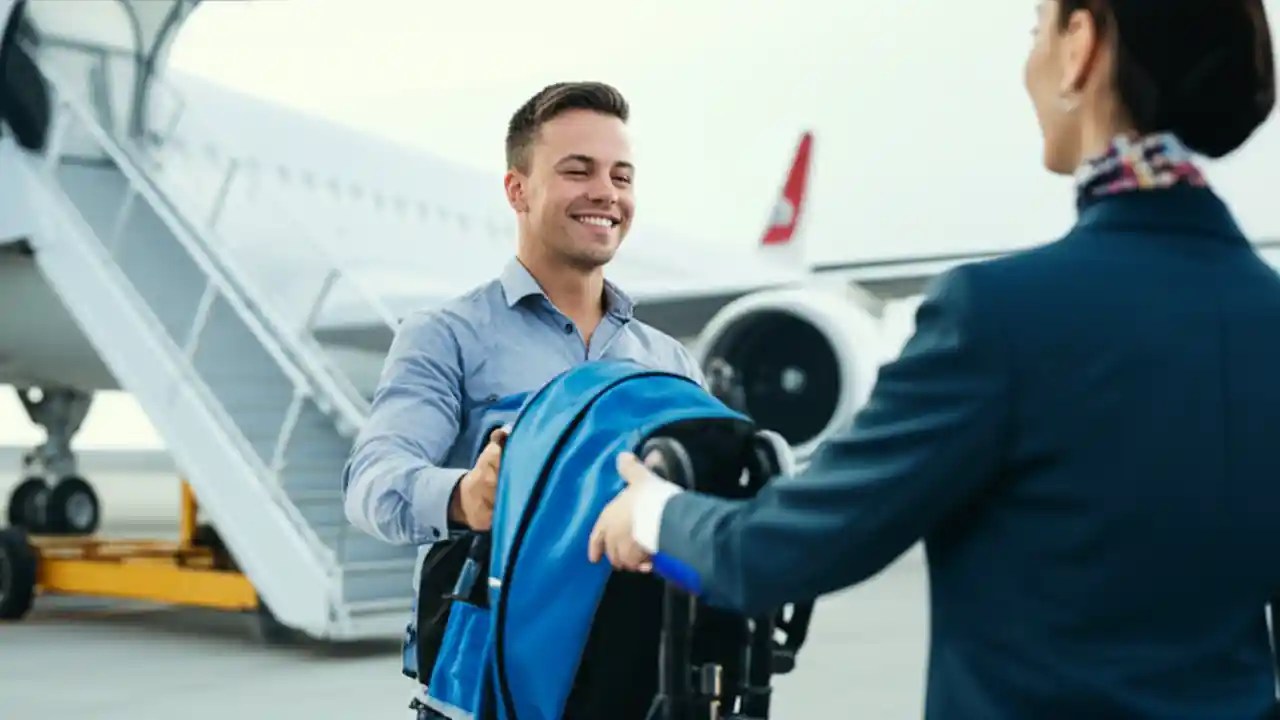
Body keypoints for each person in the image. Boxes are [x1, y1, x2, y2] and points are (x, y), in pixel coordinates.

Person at [589, 1, 1280, 718]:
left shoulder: (1003, 316)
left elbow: (771, 555)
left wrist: (655, 514)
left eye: (1036, 29)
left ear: (1081, 45)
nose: (1028, 64)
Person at [341, 81, 702, 719]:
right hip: (491, 696)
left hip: (645, 693)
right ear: (517, 190)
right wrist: (466, 497)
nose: (606, 193)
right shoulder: (448, 336)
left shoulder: (668, 364)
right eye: (577, 170)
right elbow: (372, 481)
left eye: (622, 175)